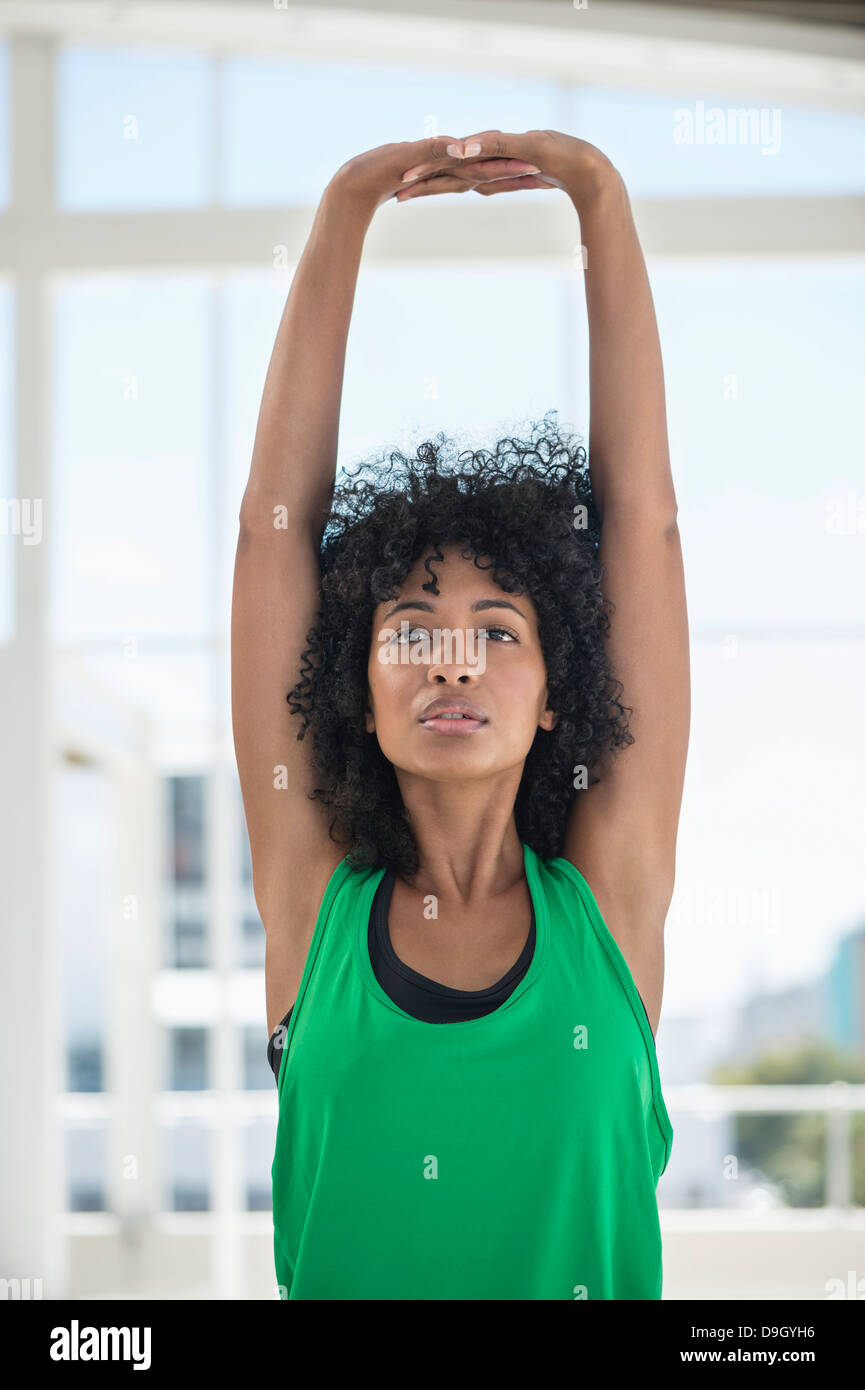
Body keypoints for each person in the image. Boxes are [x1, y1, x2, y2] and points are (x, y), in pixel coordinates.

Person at [231, 130, 690, 1300]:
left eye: (498, 631)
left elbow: (640, 527)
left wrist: (601, 200)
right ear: (359, 687)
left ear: (553, 699)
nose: (452, 660)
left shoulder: (607, 912)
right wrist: (340, 213)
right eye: (410, 627)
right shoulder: (310, 912)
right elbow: (273, 534)